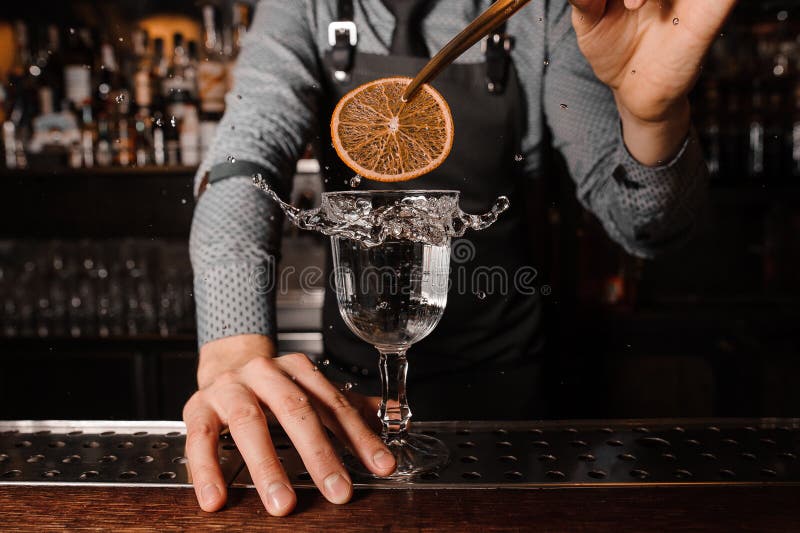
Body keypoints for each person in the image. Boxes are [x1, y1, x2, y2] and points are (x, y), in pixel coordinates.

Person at [185, 0, 735, 516]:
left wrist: (654, 118)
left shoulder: (548, 11)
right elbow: (243, 159)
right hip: (351, 404)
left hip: (510, 408)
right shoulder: (306, 6)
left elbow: (646, 228)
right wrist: (233, 352)